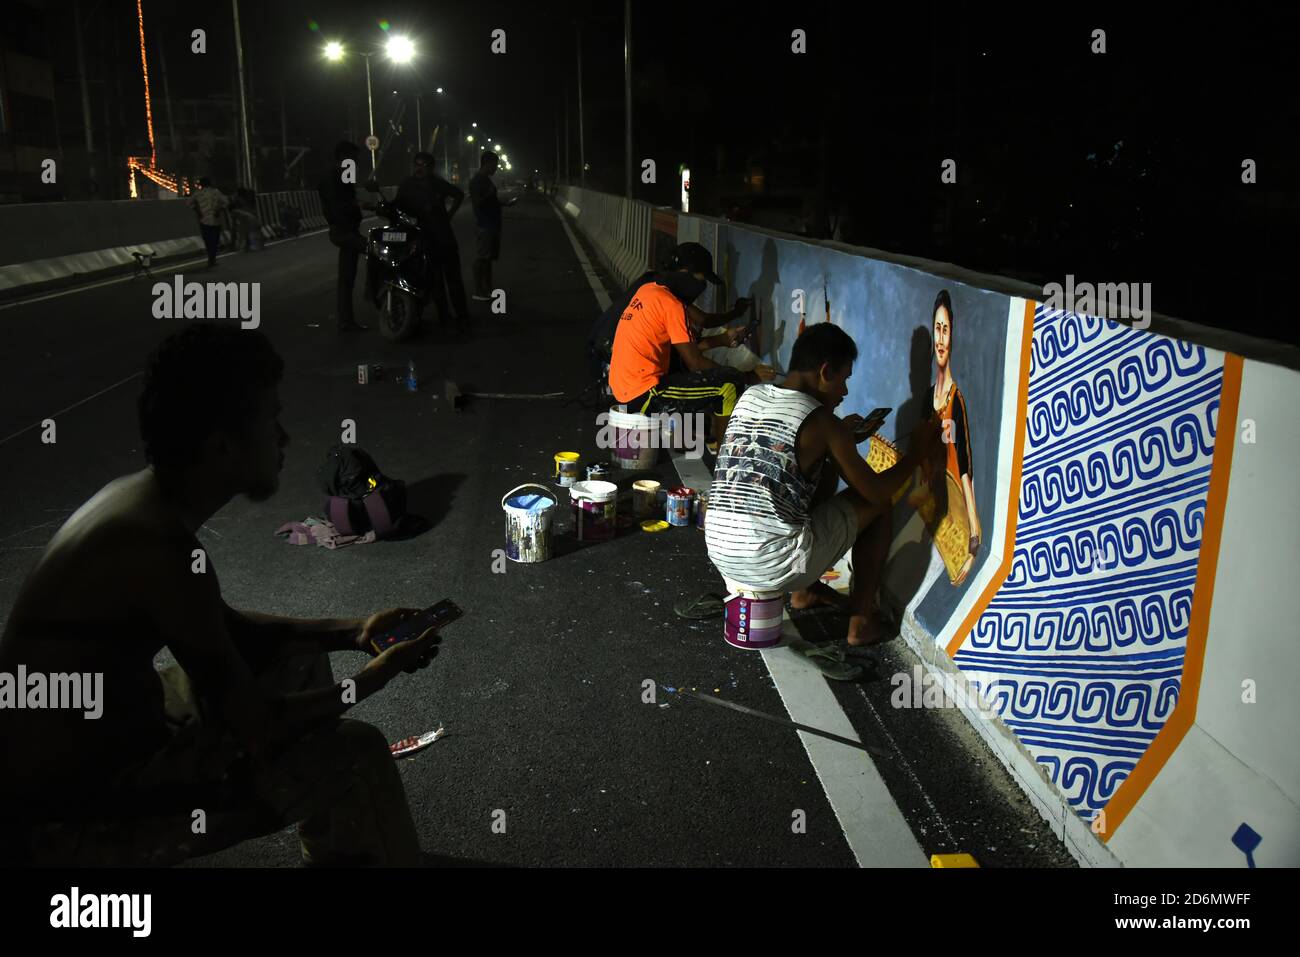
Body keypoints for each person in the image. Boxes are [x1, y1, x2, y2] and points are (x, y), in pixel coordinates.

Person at [0, 324, 439, 866]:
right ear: (222, 444)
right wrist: (379, 674)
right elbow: (254, 725)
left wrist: (352, 631)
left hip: (118, 733)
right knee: (357, 752)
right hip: (67, 817)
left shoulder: (140, 503)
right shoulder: (155, 545)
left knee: (300, 661)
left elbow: (222, 629)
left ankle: (342, 855)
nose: (284, 438)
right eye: (270, 420)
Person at [705, 323, 945, 647]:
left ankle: (804, 593)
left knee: (800, 493)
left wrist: (839, 444)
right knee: (877, 506)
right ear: (825, 372)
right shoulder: (822, 422)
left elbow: (781, 467)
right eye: (844, 379)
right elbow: (875, 491)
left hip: (721, 553)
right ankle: (861, 622)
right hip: (770, 563)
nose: (844, 392)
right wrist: (916, 453)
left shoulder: (752, 396)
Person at [606, 242, 752, 448]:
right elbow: (695, 362)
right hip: (644, 393)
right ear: (687, 274)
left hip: (624, 389)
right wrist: (745, 376)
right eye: (702, 280)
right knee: (728, 384)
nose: (701, 287)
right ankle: (724, 456)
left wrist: (722, 339)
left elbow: (692, 336)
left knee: (705, 375)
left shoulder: (650, 290)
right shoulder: (671, 305)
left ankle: (706, 427)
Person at [909, 289, 981, 584]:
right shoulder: (929, 398)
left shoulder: (956, 400)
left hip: (952, 517)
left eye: (945, 330)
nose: (940, 339)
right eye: (937, 330)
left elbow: (964, 468)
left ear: (953, 336)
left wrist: (974, 534)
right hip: (928, 507)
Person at [395, 151, 469, 328]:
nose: (420, 169)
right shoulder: (407, 185)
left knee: (454, 279)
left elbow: (459, 194)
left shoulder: (438, 184)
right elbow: (397, 206)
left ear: (431, 168)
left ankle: (462, 316)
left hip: (444, 238)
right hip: (423, 240)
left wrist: (449, 214)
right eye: (417, 164)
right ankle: (444, 317)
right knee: (435, 281)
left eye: (424, 165)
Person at [318, 140, 375, 333]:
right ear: (343, 156)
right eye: (353, 157)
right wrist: (357, 206)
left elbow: (347, 198)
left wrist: (361, 204)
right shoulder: (334, 175)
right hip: (343, 231)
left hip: (348, 229)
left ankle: (345, 320)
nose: (356, 161)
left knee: (346, 279)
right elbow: (337, 204)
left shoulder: (342, 174)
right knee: (376, 251)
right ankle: (372, 291)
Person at [468, 151, 516, 301]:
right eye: (495, 165)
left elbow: (491, 201)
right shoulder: (477, 181)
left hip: (492, 224)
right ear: (487, 163)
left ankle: (488, 289)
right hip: (485, 224)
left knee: (488, 259)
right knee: (482, 258)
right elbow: (477, 202)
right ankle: (478, 290)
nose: (496, 168)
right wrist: (489, 194)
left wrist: (506, 203)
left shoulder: (487, 180)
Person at [188, 177, 228, 268]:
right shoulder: (216, 192)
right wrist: (219, 210)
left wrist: (198, 211)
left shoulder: (197, 193)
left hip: (203, 220)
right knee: (215, 240)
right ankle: (212, 258)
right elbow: (226, 202)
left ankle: (211, 258)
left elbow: (189, 203)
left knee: (207, 240)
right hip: (215, 220)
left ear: (201, 184)